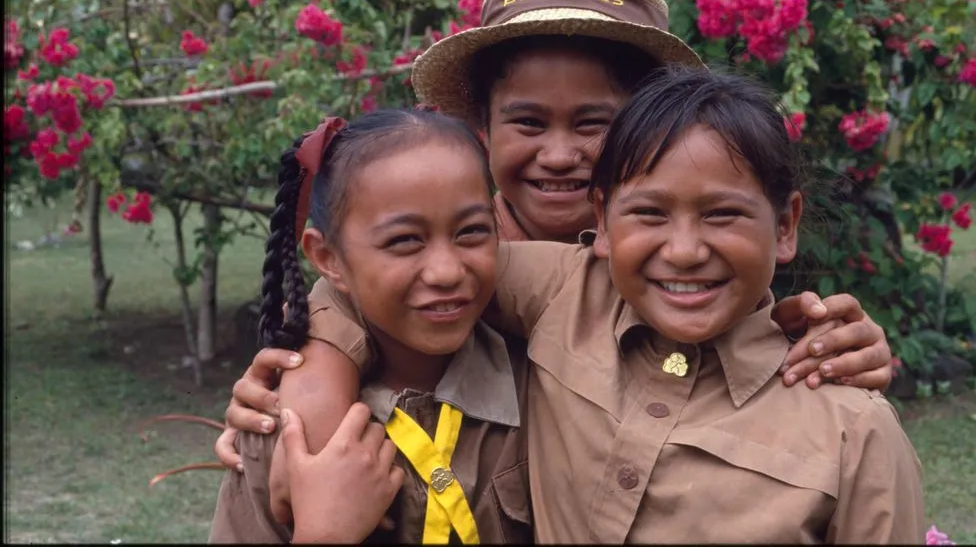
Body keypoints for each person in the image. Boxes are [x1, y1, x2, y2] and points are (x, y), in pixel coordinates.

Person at [217, 0, 894, 468]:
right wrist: (310, 394)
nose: (561, 154)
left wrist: (841, 347)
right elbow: (347, 287)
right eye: (528, 123)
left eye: (595, 124)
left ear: (644, 132)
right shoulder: (464, 260)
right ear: (481, 126)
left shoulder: (679, 265)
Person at [267, 67, 925, 543]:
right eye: (649, 213)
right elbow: (392, 272)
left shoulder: (852, 430)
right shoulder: (565, 292)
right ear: (604, 220)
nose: (687, 250)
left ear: (786, 227)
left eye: (723, 215)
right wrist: (316, 378)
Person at [209, 110, 532, 543]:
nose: (445, 271)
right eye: (404, 240)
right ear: (328, 260)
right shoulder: (285, 439)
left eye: (471, 231)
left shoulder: (541, 390)